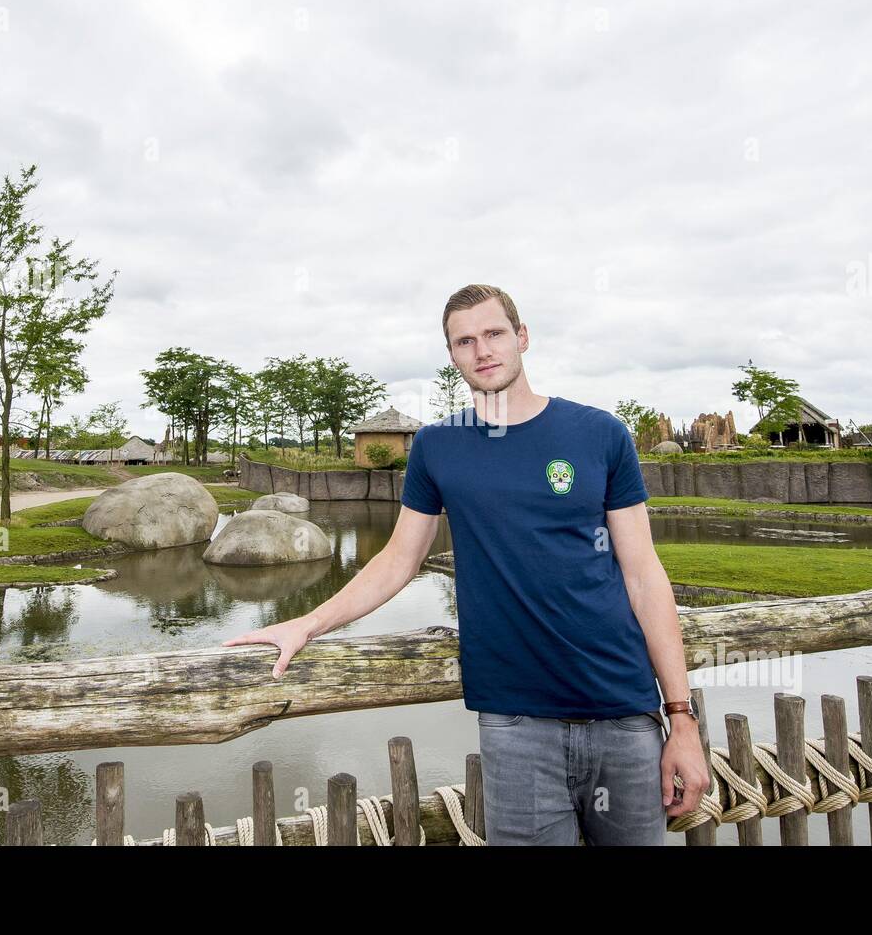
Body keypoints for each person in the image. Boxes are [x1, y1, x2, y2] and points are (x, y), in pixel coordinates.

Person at [222, 283, 710, 844]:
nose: (482, 350)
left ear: (522, 337)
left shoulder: (600, 435)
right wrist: (306, 622)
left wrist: (682, 718)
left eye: (495, 333)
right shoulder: (437, 446)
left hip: (624, 712)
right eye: (465, 341)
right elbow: (399, 560)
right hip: (515, 721)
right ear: (452, 355)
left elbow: (643, 575)